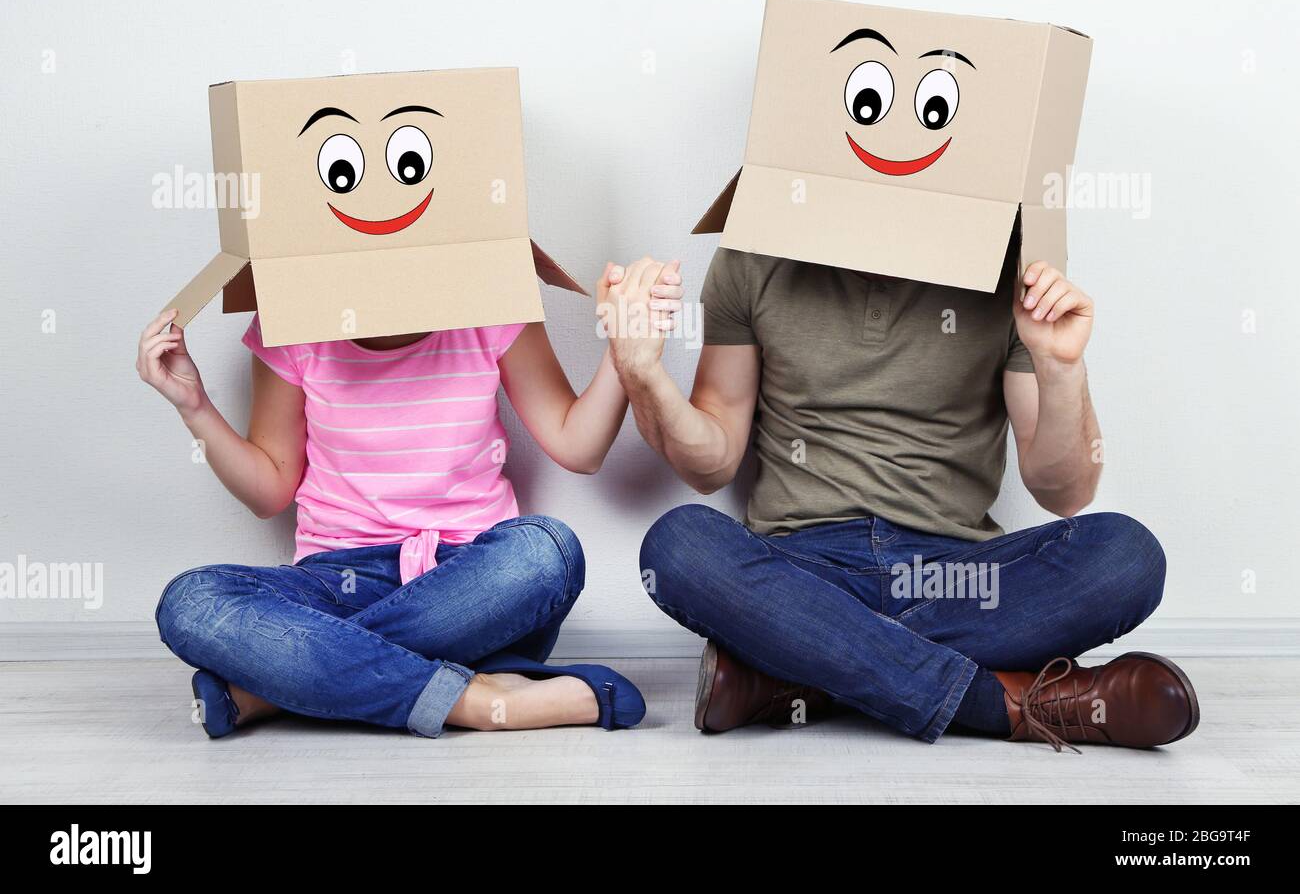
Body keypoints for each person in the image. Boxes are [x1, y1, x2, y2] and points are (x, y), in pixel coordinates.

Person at [605, 247, 1198, 751]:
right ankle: (1003, 704)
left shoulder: (1013, 262)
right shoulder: (753, 255)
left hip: (957, 577)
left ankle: (802, 672)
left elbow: (1064, 490)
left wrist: (1061, 365)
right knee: (677, 545)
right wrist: (643, 375)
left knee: (1128, 555)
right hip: (806, 569)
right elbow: (712, 465)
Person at [140, 259, 681, 739]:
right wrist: (194, 406)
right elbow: (270, 489)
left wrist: (623, 346)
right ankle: (479, 700)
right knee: (191, 600)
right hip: (337, 582)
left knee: (549, 553)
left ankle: (276, 686)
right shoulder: (292, 317)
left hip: (470, 588)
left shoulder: (490, 298)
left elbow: (578, 445)